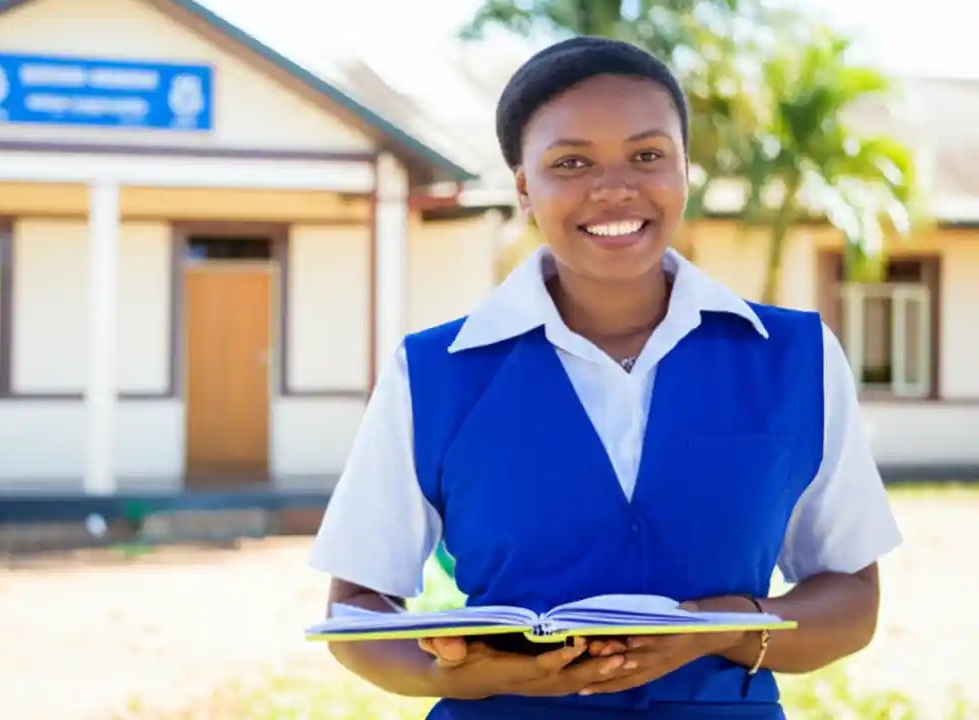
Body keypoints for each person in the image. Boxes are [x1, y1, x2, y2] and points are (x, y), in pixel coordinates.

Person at [308, 36, 902, 719]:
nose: (615, 187)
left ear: (686, 170)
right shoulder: (435, 372)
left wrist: (735, 626)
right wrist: (476, 676)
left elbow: (853, 597)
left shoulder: (792, 356)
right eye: (571, 162)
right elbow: (355, 610)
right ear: (525, 188)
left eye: (648, 155)